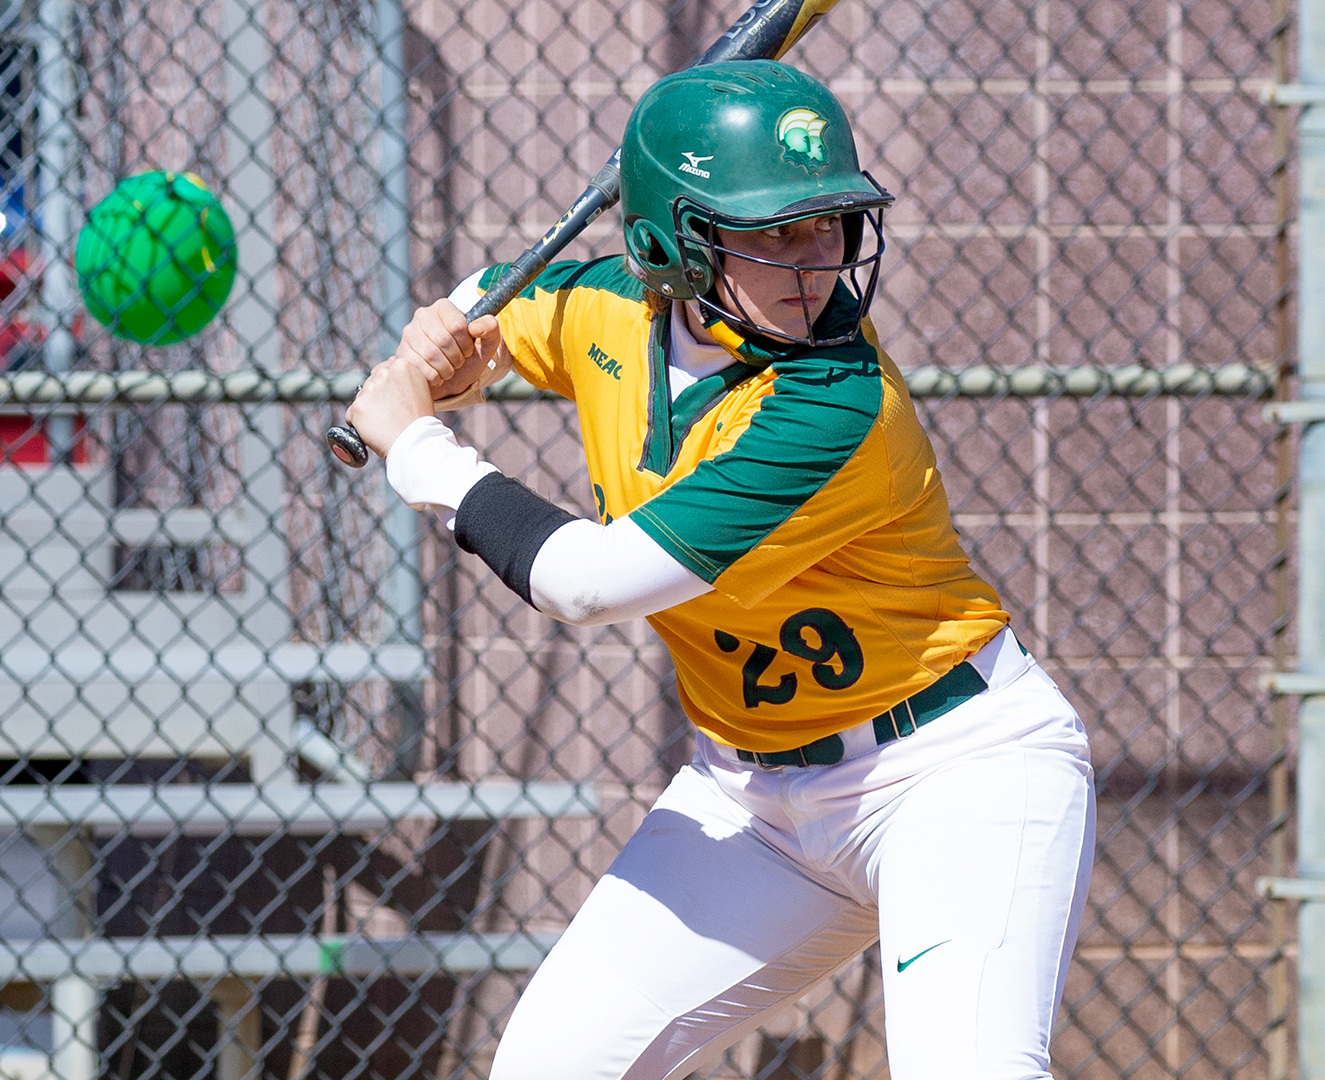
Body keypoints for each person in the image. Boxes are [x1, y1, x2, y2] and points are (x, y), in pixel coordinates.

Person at [345, 59, 1095, 1080]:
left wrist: (419, 448)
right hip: (750, 798)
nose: (813, 264)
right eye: (771, 234)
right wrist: (450, 336)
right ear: (670, 249)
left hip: (953, 772)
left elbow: (587, 583)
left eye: (827, 226)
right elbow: (491, 303)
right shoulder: (608, 308)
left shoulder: (834, 406)